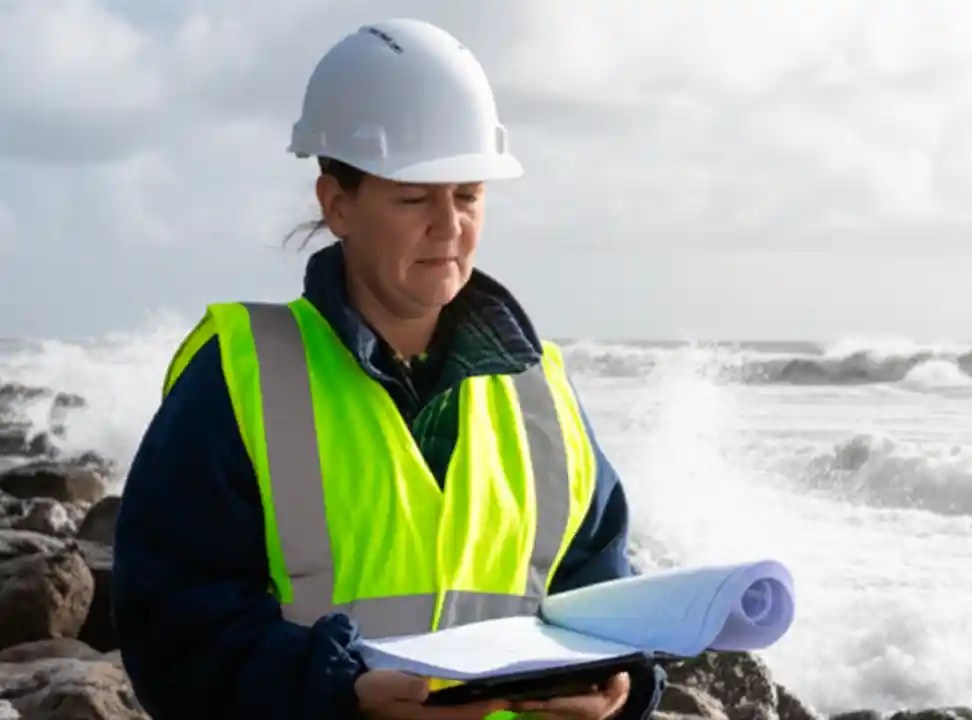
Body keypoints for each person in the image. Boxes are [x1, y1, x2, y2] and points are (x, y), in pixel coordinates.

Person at [112, 17, 666, 720]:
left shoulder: (542, 392)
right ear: (336, 203)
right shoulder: (238, 376)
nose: (449, 225)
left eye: (468, 195)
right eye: (414, 198)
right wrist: (335, 695)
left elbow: (602, 592)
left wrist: (623, 685)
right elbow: (173, 630)